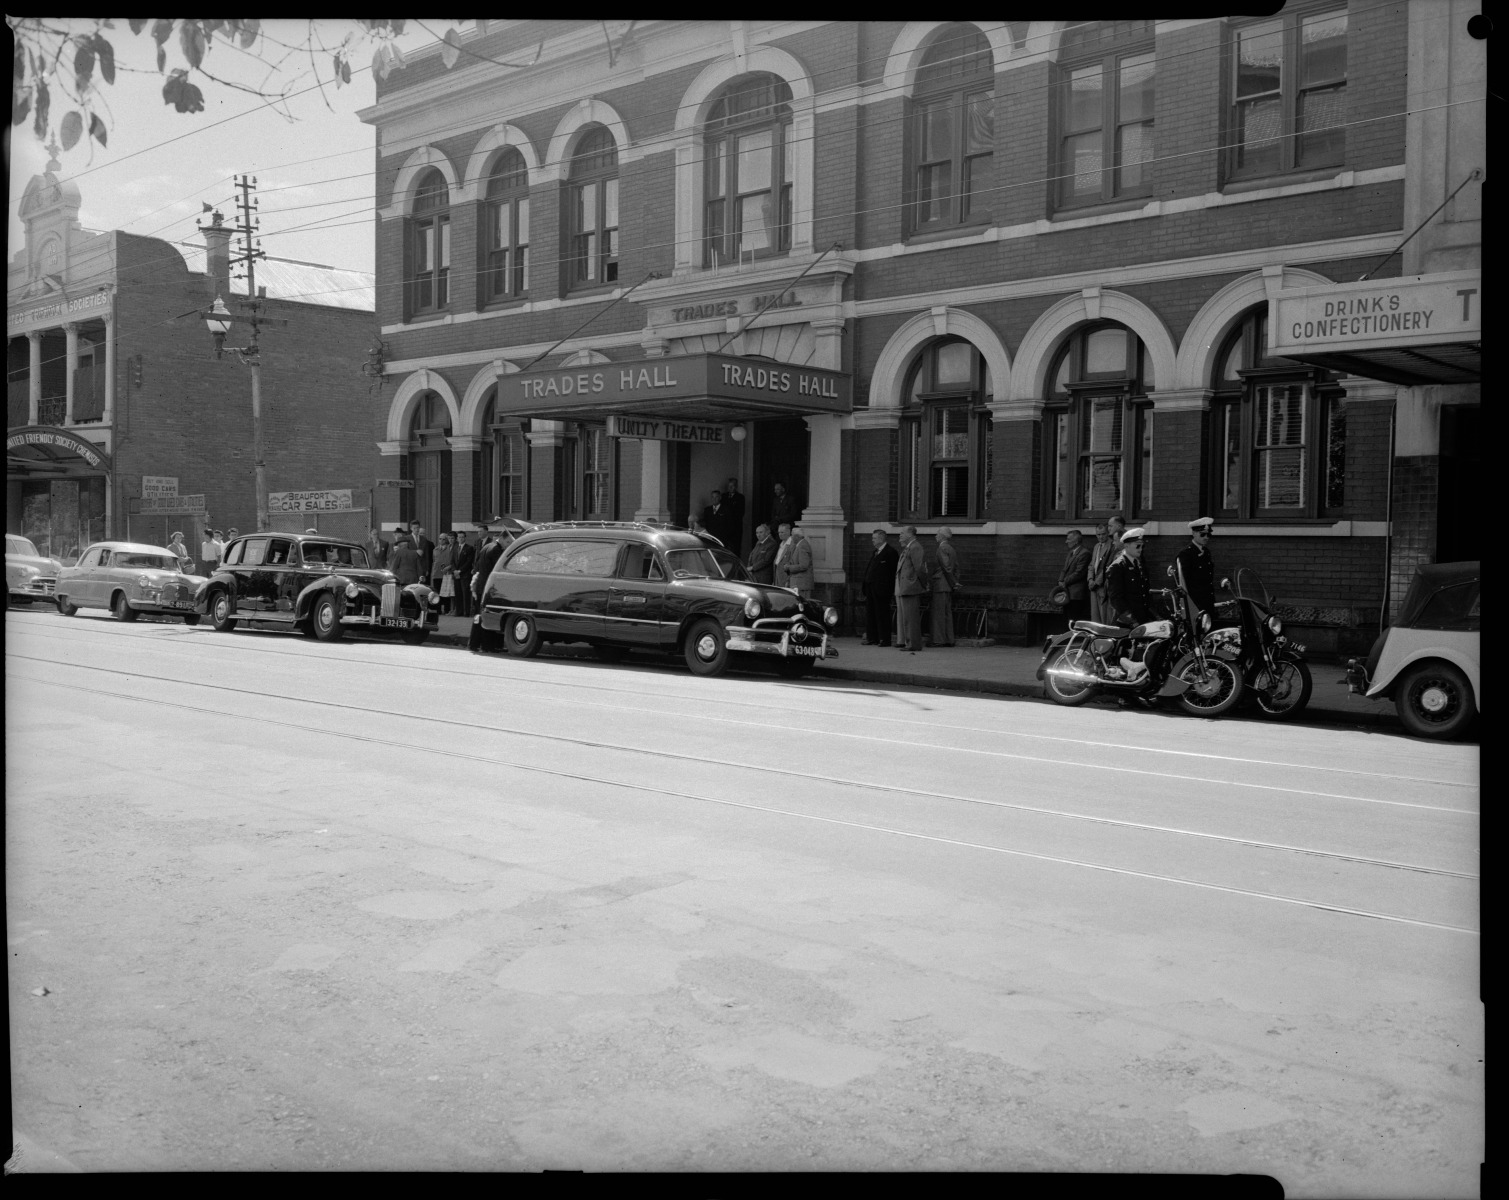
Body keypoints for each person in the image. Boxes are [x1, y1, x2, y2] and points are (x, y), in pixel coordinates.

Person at [1105, 527, 1155, 680]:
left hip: (1141, 618)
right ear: (1126, 546)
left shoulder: (1139, 565)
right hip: (1126, 621)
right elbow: (1116, 598)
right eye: (1137, 546)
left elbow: (1145, 594)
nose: (1140, 549)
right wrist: (1131, 620)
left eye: (1142, 546)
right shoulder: (1117, 566)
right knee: (1122, 658)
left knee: (1139, 657)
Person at [467, 533, 508, 653]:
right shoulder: (496, 550)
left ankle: (474, 643)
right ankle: (488, 645)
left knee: (479, 616)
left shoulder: (486, 547)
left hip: (480, 586)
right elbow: (499, 570)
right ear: (501, 539)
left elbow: (477, 565)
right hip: (489, 588)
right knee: (489, 616)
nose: (508, 545)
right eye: (507, 542)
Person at [862, 529, 899, 646]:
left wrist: (890, 589)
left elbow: (892, 573)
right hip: (871, 588)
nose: (872, 540)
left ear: (882, 538)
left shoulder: (890, 552)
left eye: (874, 538)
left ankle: (884, 639)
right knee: (871, 613)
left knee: (882, 614)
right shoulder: (875, 552)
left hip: (882, 590)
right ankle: (872, 638)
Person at [1175, 516, 1218, 617]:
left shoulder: (1206, 552)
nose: (1206, 537)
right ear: (1194, 533)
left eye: (1208, 534)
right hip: (1194, 604)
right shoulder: (1186, 554)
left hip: (1208, 601)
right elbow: (1182, 583)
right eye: (1202, 534)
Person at [894, 525, 927, 652]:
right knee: (907, 618)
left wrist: (923, 584)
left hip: (910, 587)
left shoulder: (915, 547)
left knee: (911, 618)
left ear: (910, 534)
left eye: (902, 533)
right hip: (906, 587)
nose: (900, 535)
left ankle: (913, 644)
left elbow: (920, 568)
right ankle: (910, 643)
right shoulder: (909, 547)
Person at [929, 527, 960, 646]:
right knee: (947, 613)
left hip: (940, 583)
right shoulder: (951, 549)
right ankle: (949, 639)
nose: (935, 536)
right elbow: (956, 567)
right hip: (947, 585)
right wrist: (955, 582)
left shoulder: (941, 548)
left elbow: (946, 567)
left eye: (937, 534)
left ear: (942, 536)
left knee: (938, 613)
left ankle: (938, 640)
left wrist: (953, 582)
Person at [1056, 528, 1092, 625]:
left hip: (1076, 594)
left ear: (1076, 541)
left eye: (1068, 539)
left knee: (1074, 620)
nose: (1066, 541)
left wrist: (1065, 582)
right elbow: (1065, 569)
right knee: (1066, 619)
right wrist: (1060, 580)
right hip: (1067, 592)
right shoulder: (1071, 552)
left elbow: (1079, 573)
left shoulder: (1085, 553)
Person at [774, 522, 814, 596]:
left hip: (802, 584)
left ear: (797, 536)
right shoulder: (798, 545)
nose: (791, 537)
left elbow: (804, 565)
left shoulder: (803, 546)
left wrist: (789, 567)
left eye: (792, 535)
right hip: (797, 583)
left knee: (802, 602)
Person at [1087, 522, 1116, 624]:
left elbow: (1108, 567)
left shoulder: (1112, 546)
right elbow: (1092, 565)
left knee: (1105, 616)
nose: (1101, 537)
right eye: (1098, 534)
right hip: (1093, 585)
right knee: (1095, 616)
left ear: (1108, 533)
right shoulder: (1096, 546)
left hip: (1103, 585)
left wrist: (1096, 582)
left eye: (1103, 534)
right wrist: (1090, 579)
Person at [431, 532, 458, 615]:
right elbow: (434, 561)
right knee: (437, 592)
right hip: (436, 573)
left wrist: (449, 568)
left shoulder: (450, 549)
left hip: (446, 574)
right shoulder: (435, 550)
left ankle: (447, 609)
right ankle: (438, 610)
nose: (441, 540)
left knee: (446, 593)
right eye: (440, 539)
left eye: (443, 539)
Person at [454, 531, 476, 618]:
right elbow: (452, 560)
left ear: (465, 538)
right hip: (456, 574)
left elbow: (469, 561)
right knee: (458, 593)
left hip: (465, 574)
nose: (461, 539)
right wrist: (454, 570)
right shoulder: (455, 548)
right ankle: (459, 612)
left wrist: (460, 571)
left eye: (462, 537)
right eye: (459, 537)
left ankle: (466, 612)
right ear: (457, 538)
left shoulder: (469, 548)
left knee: (465, 594)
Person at [721, 477, 745, 556]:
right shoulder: (724, 496)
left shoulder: (740, 497)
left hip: (736, 527)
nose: (730, 488)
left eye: (732, 486)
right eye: (729, 486)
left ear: (736, 487)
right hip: (725, 526)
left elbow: (741, 513)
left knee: (736, 547)